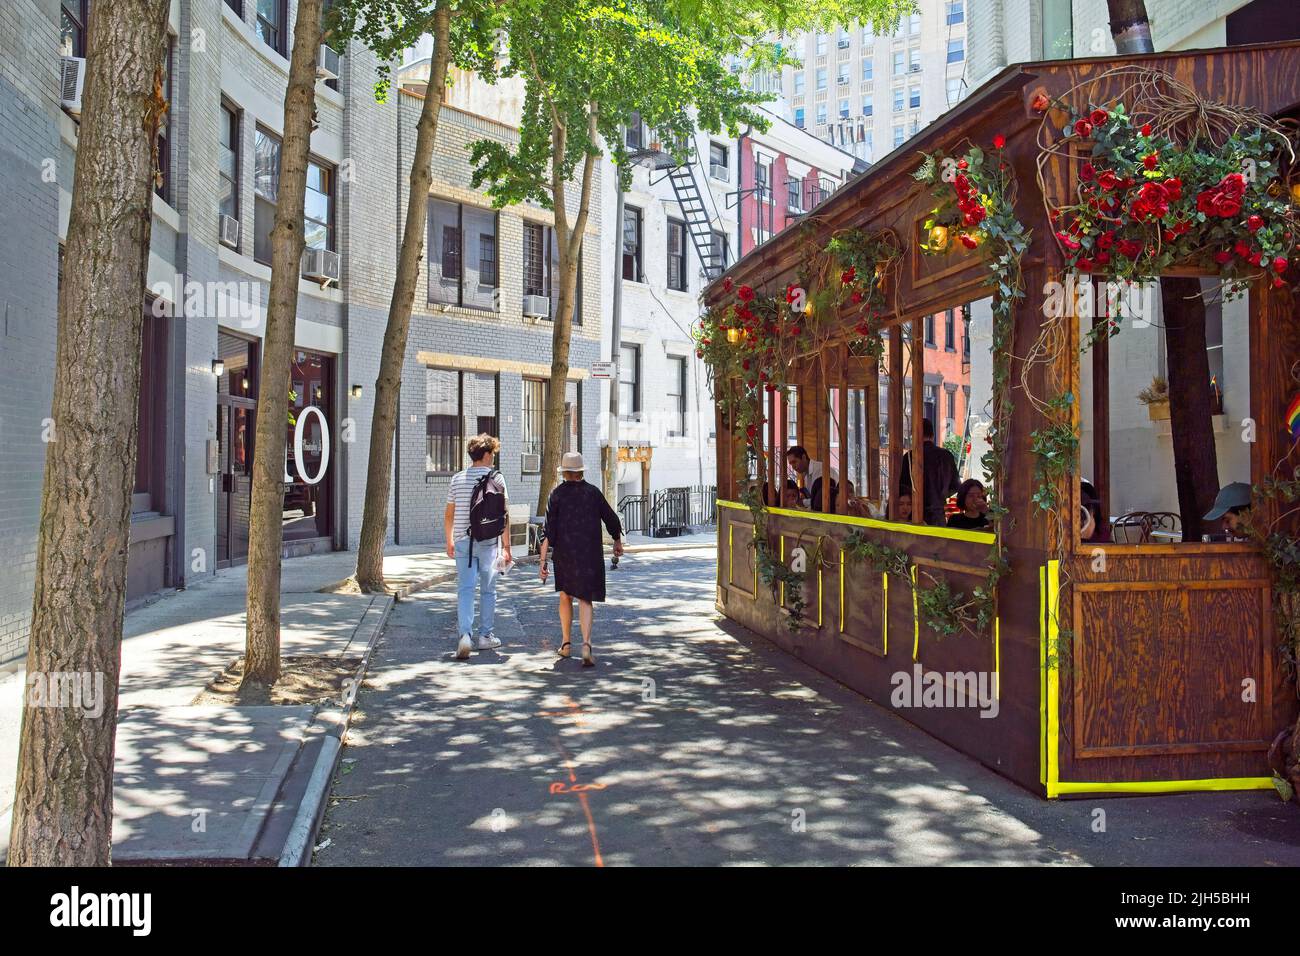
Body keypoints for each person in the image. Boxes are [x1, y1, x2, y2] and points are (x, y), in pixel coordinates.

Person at [540, 451, 624, 667]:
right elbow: (611, 518)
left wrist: (543, 562)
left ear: (564, 472)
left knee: (566, 596)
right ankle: (586, 644)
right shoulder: (593, 493)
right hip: (589, 552)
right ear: (580, 472)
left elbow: (548, 531)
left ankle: (566, 645)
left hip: (565, 553)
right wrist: (617, 540)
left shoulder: (556, 495)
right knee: (585, 599)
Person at [445, 434, 512, 660]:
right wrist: (507, 546)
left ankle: (465, 636)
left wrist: (449, 540)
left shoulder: (457, 479)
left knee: (465, 589)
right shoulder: (498, 479)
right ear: (485, 454)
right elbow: (504, 516)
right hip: (490, 543)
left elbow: (449, 514)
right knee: (488, 590)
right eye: (492, 454)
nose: (493, 458)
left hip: (464, 541)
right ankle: (485, 636)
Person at [898, 419, 960, 525]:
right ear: (932, 435)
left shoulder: (909, 457)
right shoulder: (946, 456)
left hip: (915, 515)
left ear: (915, 435)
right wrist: (942, 495)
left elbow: (902, 489)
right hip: (938, 514)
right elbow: (956, 486)